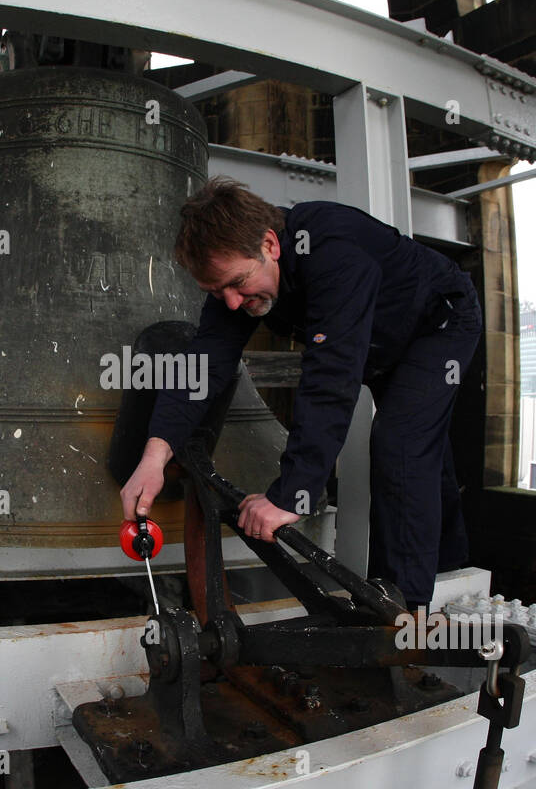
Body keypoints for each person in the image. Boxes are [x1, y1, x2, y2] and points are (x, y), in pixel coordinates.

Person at [119, 176, 482, 612]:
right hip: (382, 342)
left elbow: (330, 379)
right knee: (420, 441)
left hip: (438, 323)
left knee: (401, 440)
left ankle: (400, 610)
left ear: (270, 244)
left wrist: (289, 496)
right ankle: (448, 561)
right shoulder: (237, 282)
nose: (232, 302)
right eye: (217, 292)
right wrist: (154, 456)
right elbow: (203, 365)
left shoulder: (333, 250)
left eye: (237, 283)